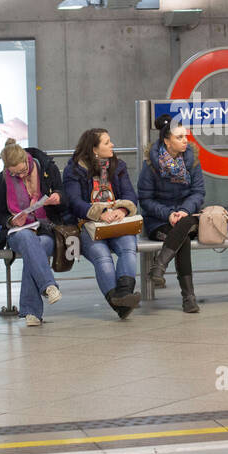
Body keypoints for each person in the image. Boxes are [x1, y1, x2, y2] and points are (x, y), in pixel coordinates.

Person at [62, 127, 142, 319]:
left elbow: (130, 194)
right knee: (102, 255)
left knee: (129, 247)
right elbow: (74, 202)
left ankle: (122, 297)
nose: (112, 144)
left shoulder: (118, 165)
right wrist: (100, 212)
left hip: (117, 222)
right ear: (94, 149)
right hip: (88, 224)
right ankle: (122, 303)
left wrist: (122, 210)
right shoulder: (74, 170)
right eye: (107, 142)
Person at [138, 113, 206, 313]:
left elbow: (198, 192)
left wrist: (184, 210)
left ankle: (160, 264)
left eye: (185, 136)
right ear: (167, 141)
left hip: (188, 216)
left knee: (183, 227)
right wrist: (168, 214)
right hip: (159, 221)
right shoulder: (151, 165)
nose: (185, 140)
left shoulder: (192, 161)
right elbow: (146, 200)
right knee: (181, 239)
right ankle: (189, 298)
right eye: (179, 137)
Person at [0, 140, 65, 326]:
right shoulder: (3, 178)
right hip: (18, 231)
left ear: (27, 160)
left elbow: (63, 193)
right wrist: (10, 220)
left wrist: (57, 197)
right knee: (27, 239)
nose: (20, 175)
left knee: (35, 248)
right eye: (15, 173)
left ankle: (31, 312)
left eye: (22, 171)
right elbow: (0, 213)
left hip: (46, 227)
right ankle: (49, 285)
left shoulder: (46, 167)